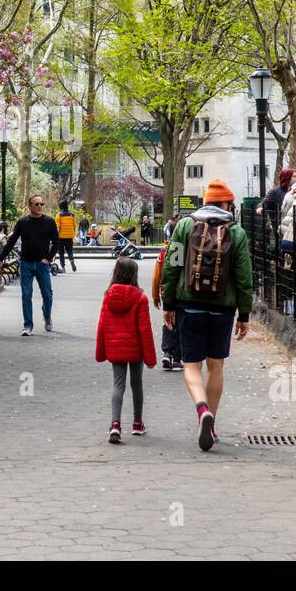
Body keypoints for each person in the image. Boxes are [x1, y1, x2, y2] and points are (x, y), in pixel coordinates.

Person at [160, 179, 253, 451]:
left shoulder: (185, 226)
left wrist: (168, 303)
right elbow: (244, 277)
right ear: (225, 204)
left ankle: (202, 411)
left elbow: (172, 265)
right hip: (223, 309)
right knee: (216, 365)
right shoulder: (237, 233)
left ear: (205, 202)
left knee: (191, 366)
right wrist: (244, 314)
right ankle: (211, 426)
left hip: (189, 306)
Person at [96, 257, 157, 443]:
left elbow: (102, 325)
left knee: (118, 384)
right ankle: (137, 424)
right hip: (136, 349)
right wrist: (150, 358)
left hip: (115, 348)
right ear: (134, 275)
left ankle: (115, 424)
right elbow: (145, 330)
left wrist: (100, 351)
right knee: (136, 384)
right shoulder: (140, 298)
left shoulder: (108, 297)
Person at [0, 194, 60, 336]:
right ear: (30, 206)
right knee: (26, 294)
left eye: (41, 204)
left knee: (47, 294)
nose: (39, 207)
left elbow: (56, 242)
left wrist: (48, 258)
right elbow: (11, 241)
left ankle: (47, 316)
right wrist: (0, 259)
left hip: (42, 265)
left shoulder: (49, 222)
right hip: (26, 264)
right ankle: (28, 325)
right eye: (36, 204)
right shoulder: (23, 222)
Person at [151, 239, 181, 371]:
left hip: (166, 293)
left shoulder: (163, 253)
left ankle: (167, 352)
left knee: (168, 321)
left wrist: (155, 295)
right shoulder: (180, 249)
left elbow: (156, 276)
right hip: (181, 294)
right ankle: (176, 359)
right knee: (180, 323)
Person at [55, 200, 78, 272]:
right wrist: (73, 234)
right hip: (69, 236)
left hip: (61, 237)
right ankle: (71, 261)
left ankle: (63, 267)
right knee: (70, 250)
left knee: (61, 252)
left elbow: (57, 227)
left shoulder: (59, 215)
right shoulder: (72, 215)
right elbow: (74, 225)